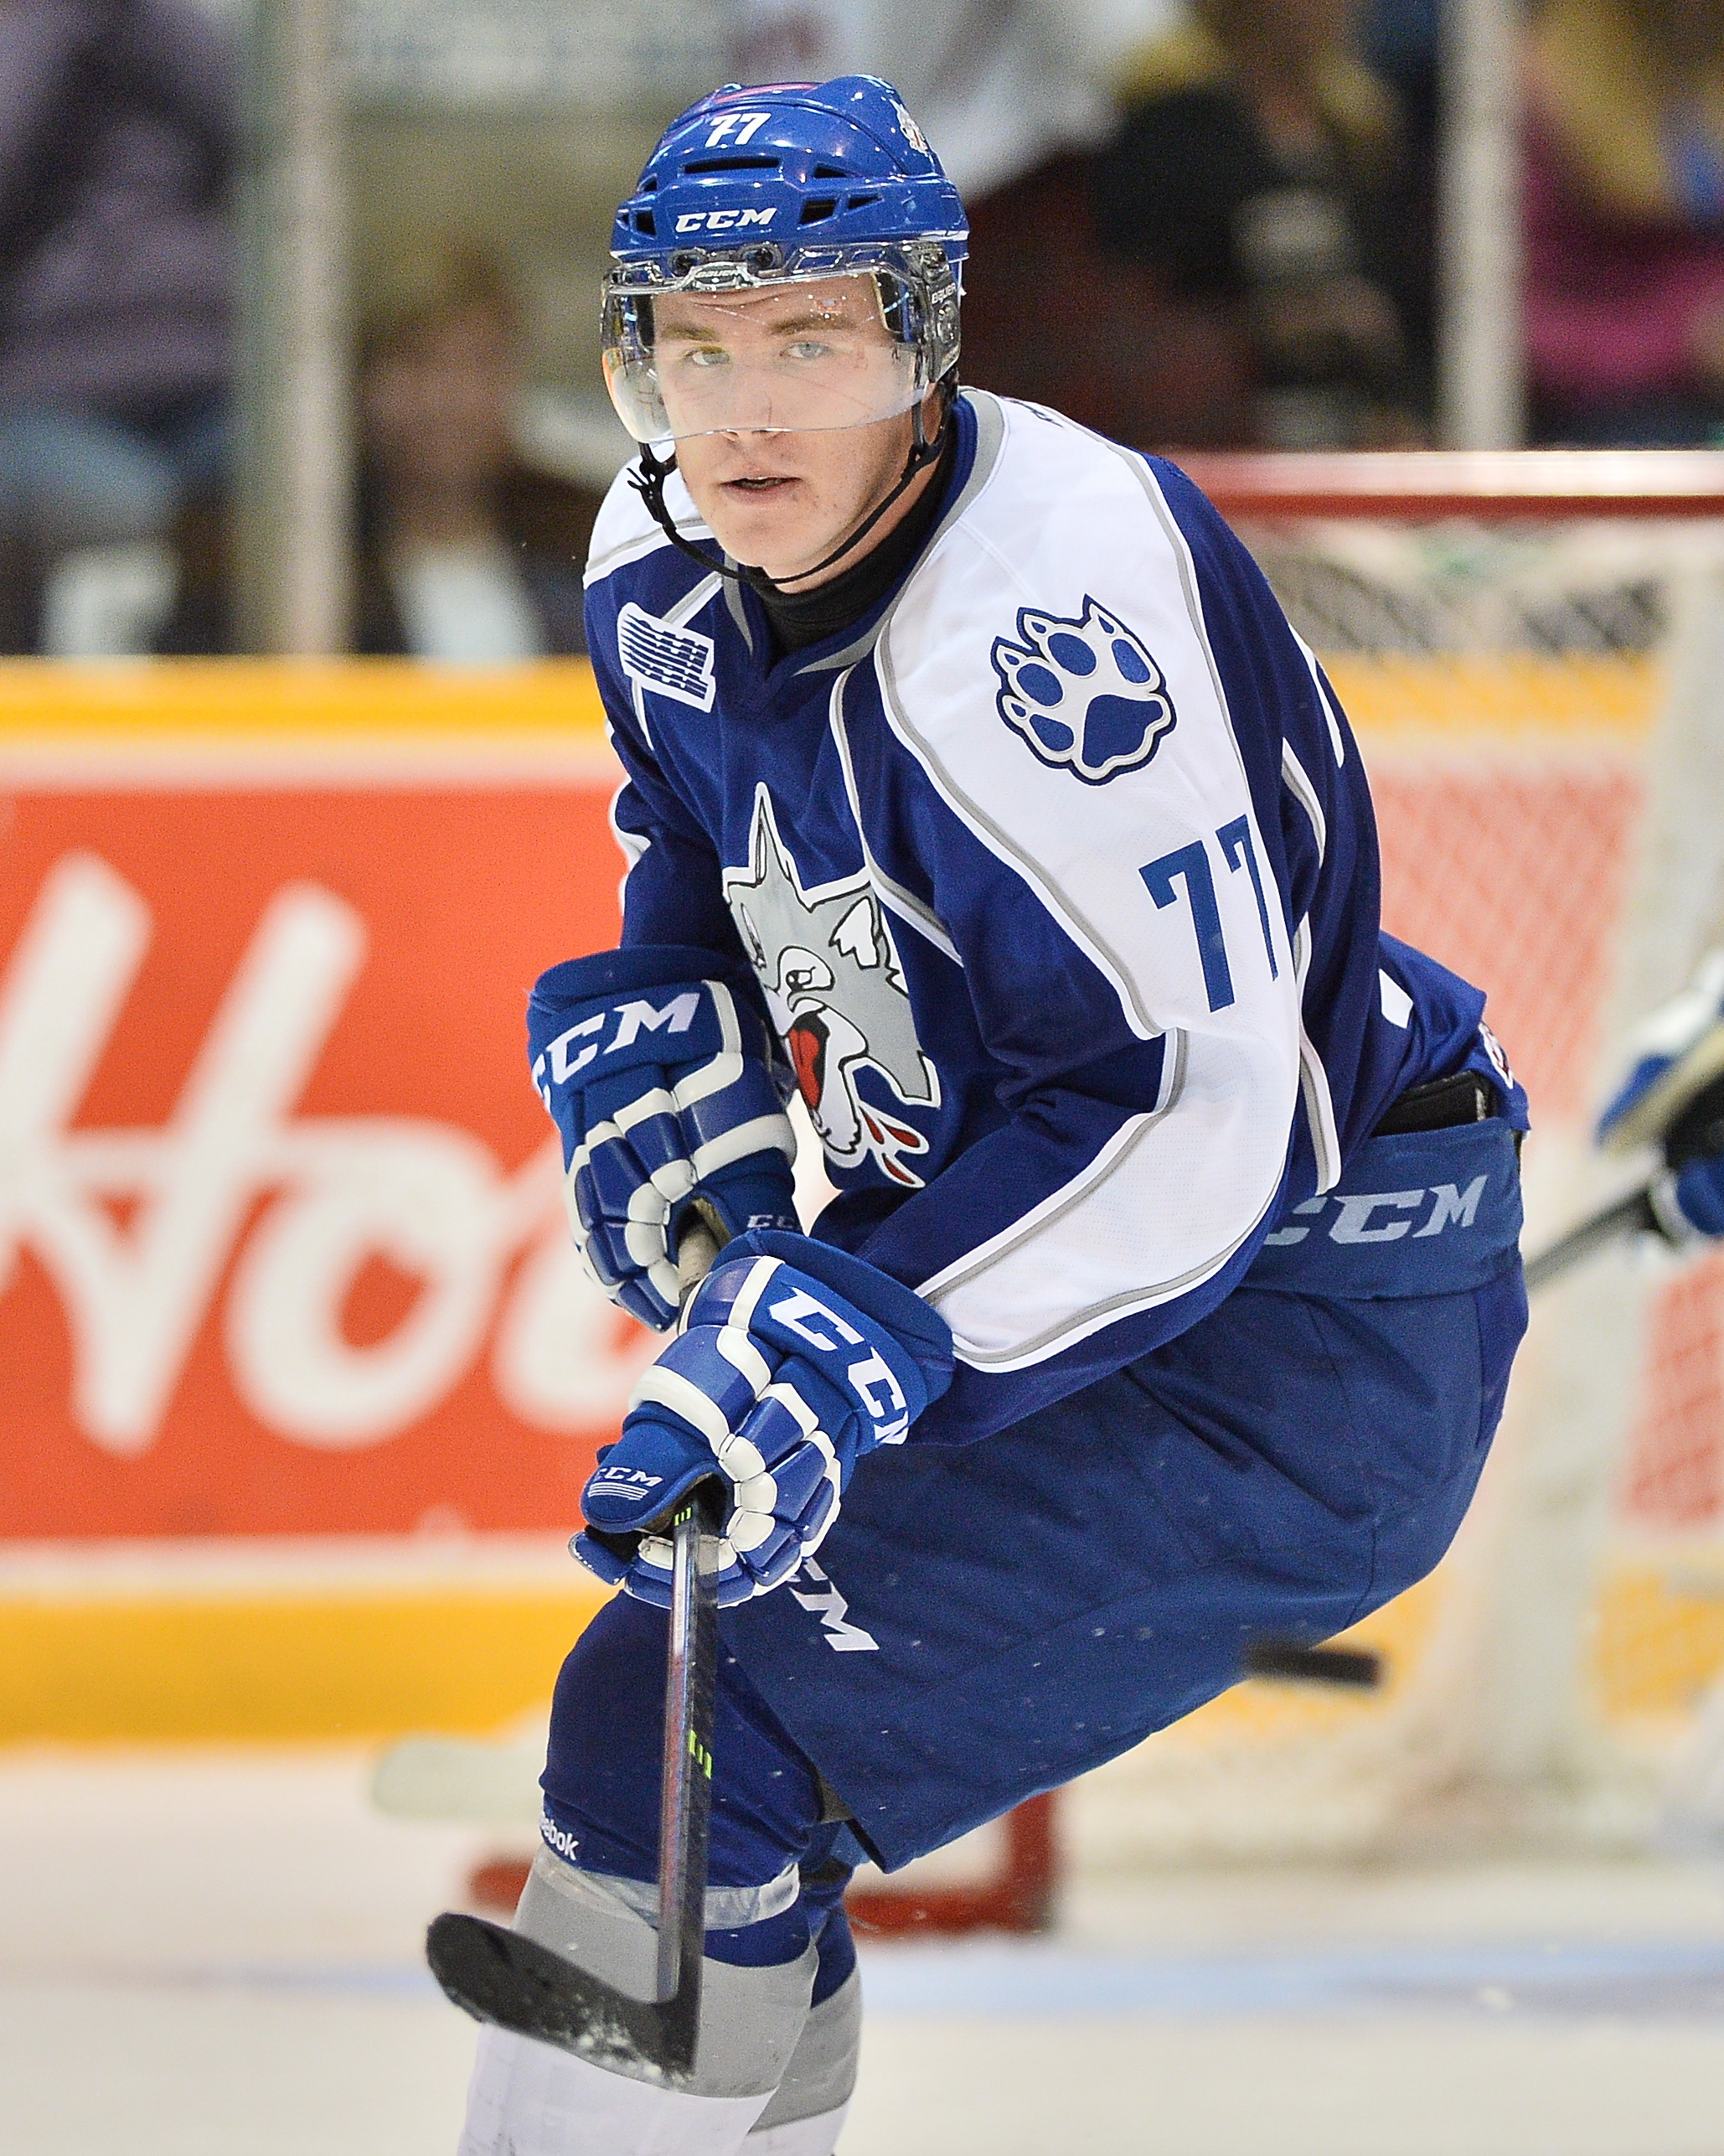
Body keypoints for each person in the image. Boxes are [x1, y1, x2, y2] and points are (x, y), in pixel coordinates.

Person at [461, 75, 1531, 2156]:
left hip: (1298, 1337)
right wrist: (678, 1018)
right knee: (699, 1750)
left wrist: (859, 1335)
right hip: (1076, 1245)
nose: (744, 410)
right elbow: (696, 826)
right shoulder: (658, 551)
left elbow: (1191, 1120)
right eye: (696, 345)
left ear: (924, 346)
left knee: (685, 1728)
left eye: (810, 341)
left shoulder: (1042, 632)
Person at [162, 247, 600, 659]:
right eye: (418, 363)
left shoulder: (588, 537)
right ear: (358, 380)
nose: (448, 399)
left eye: (476, 363)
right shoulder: (267, 564)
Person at [0, 0, 235, 654]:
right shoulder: (34, 34)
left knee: (301, 490)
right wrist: (59, 20)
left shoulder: (163, 33)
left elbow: (257, 121)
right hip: (55, 385)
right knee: (114, 510)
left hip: (203, 372)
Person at [1093, 0, 1427, 447]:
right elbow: (1130, 304)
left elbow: (1403, 296)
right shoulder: (1170, 133)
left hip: (1346, 440)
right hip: (1217, 437)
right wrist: (1267, 326)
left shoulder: (1359, 135)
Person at [1525, 0, 1724, 446]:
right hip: (1623, 416)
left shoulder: (1700, 71)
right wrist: (1683, 346)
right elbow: (1525, 327)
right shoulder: (1544, 95)